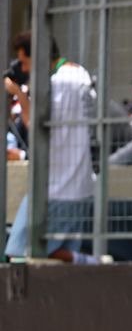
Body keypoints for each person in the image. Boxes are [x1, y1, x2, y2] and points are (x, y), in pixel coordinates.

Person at [4, 35, 98, 263]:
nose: (25, 70)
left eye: (25, 63)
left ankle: (93, 262)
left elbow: (37, 127)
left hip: (57, 187)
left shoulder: (58, 83)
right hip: (77, 185)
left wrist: (18, 94)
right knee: (53, 258)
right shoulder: (79, 73)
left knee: (18, 251)